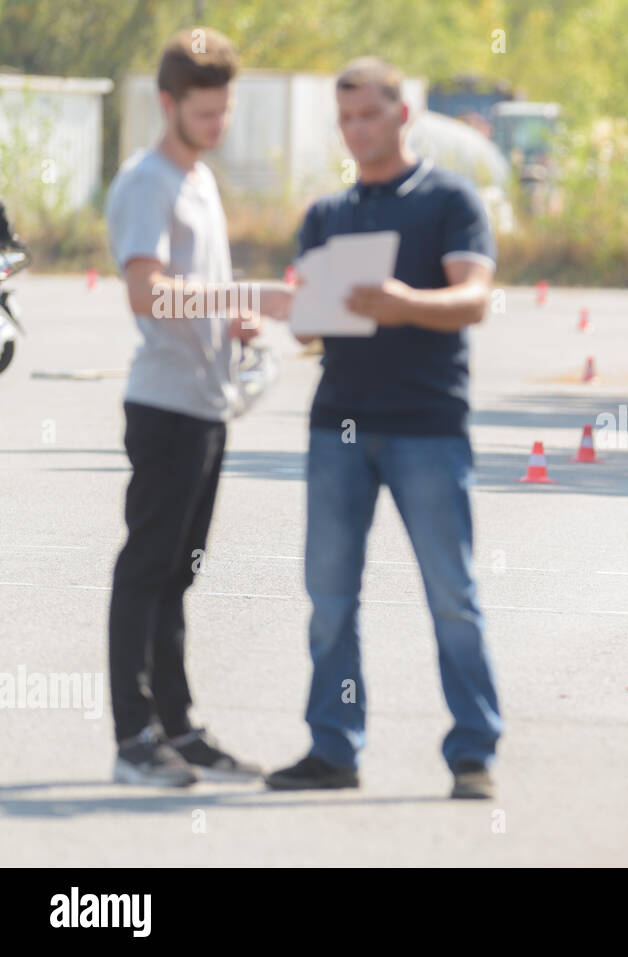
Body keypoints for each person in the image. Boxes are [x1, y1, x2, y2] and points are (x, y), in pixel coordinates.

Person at [264, 57, 503, 800]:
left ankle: (473, 752)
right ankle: (334, 749)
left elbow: (475, 299)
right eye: (346, 118)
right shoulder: (326, 216)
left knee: (452, 595)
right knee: (330, 598)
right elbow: (310, 324)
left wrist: (403, 301)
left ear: (403, 116)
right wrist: (278, 321)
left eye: (369, 114)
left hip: (427, 425)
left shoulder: (450, 199)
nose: (357, 129)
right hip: (336, 425)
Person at [104, 27, 290, 786]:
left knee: (179, 574)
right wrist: (250, 294)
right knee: (145, 569)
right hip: (164, 406)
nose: (218, 127)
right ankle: (133, 738)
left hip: (209, 405)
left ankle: (178, 726)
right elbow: (147, 293)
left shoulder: (202, 181)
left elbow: (196, 290)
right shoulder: (145, 182)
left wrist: (235, 320)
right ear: (167, 104)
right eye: (205, 115)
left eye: (225, 113)